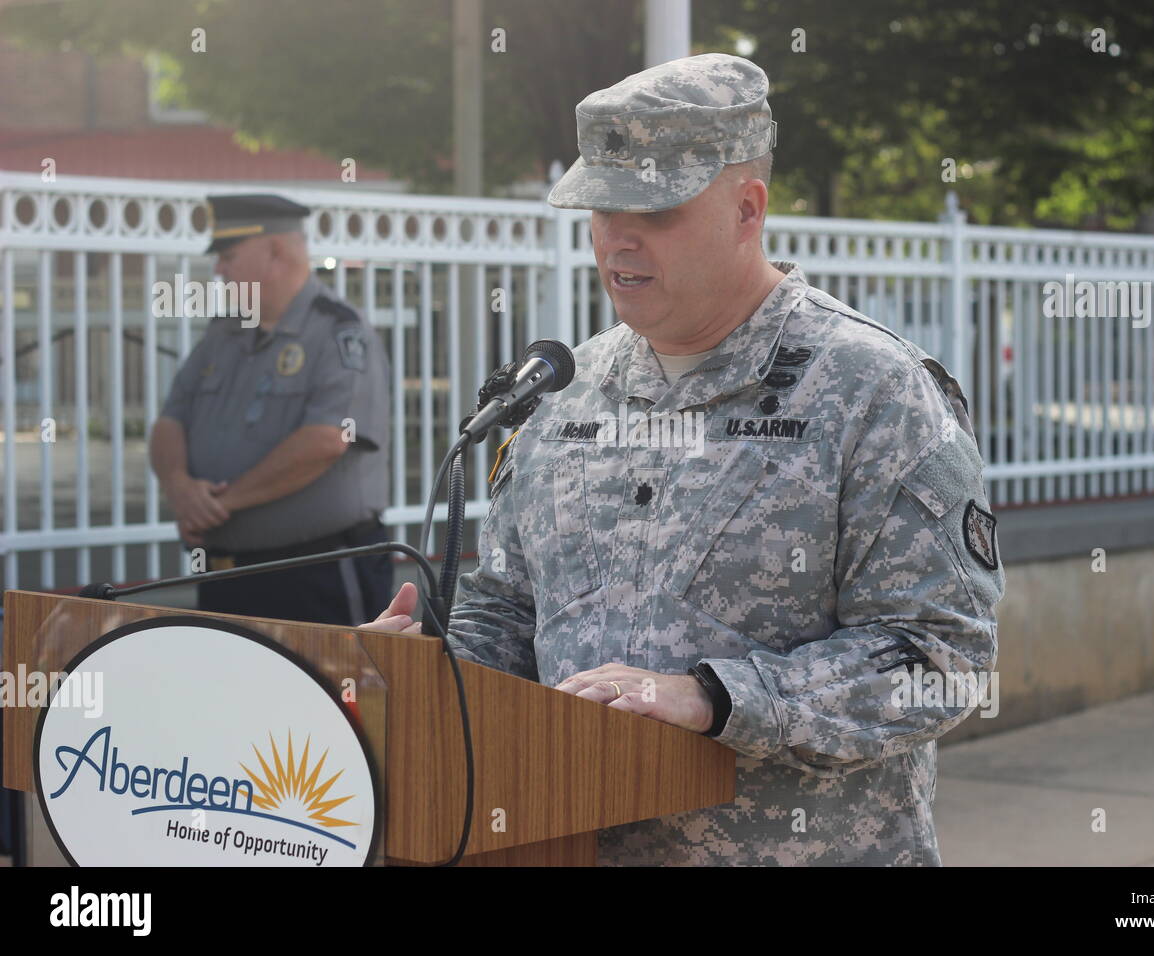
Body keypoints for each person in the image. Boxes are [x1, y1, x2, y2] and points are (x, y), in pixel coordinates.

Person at [370, 53, 1004, 865]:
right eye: (601, 209)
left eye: (655, 210)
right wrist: (422, 664)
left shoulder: (873, 391)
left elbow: (942, 658)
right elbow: (507, 613)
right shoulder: (566, 392)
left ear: (748, 209)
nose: (619, 239)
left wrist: (714, 698)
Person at [150, 193, 393, 627]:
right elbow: (170, 421)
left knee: (331, 695)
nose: (219, 269)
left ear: (276, 251)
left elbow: (326, 440)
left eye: (228, 255)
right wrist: (179, 487)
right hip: (226, 573)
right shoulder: (224, 335)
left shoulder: (340, 333)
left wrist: (219, 505)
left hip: (316, 575)